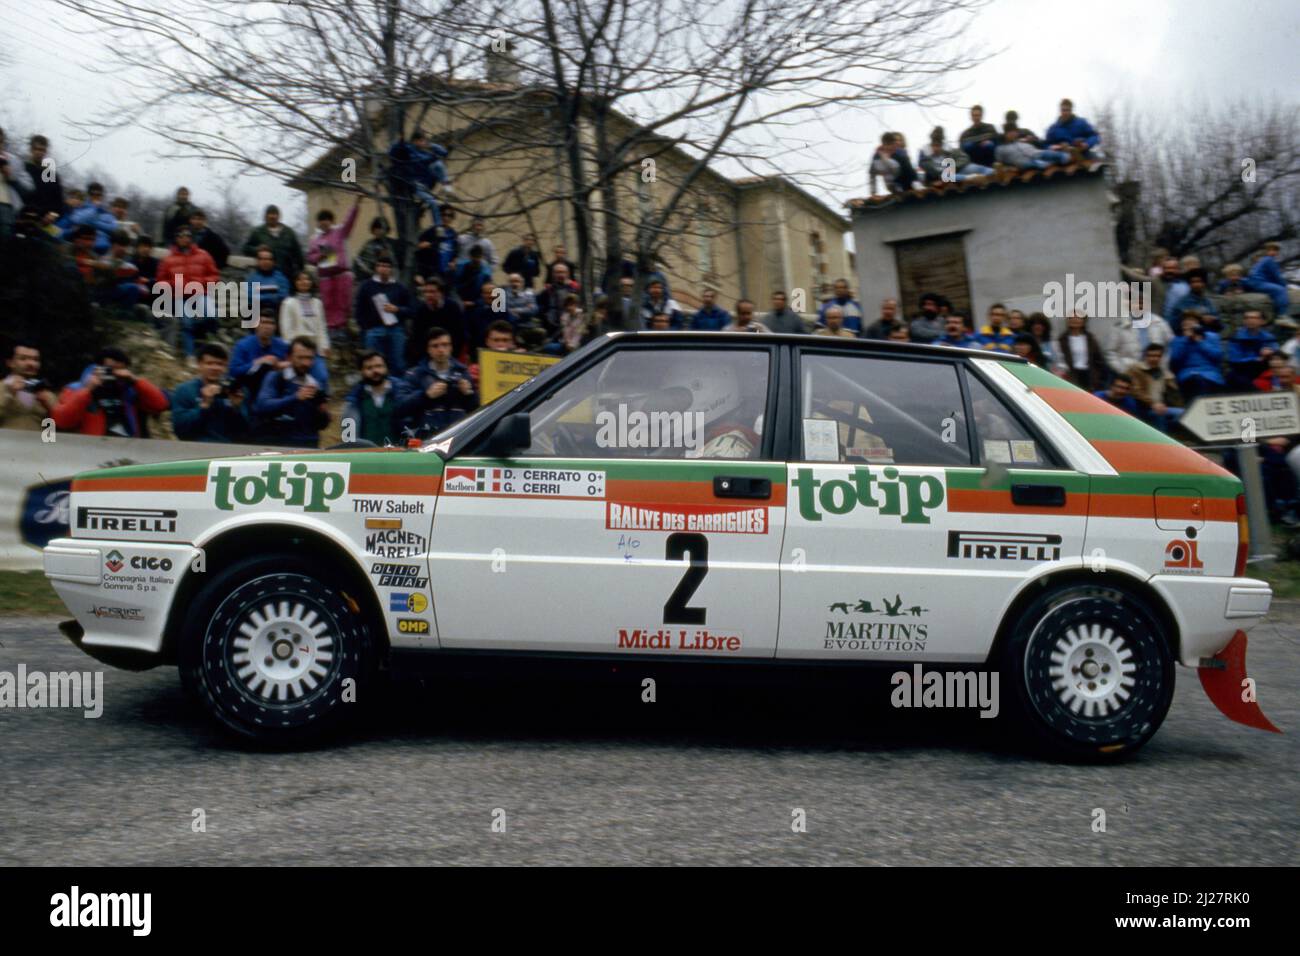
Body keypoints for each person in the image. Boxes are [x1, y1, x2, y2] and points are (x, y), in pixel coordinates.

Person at [51, 347, 169, 438]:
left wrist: (135, 380)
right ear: (96, 368)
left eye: (119, 370)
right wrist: (87, 390)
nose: (113, 374)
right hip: (93, 448)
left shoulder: (129, 390)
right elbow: (62, 421)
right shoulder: (76, 389)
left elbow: (160, 404)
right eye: (108, 370)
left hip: (128, 446)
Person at [399, 327, 479, 437]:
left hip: (458, 436)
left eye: (445, 345)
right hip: (427, 437)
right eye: (435, 346)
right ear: (428, 349)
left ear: (451, 347)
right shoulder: (414, 374)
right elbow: (401, 408)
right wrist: (426, 395)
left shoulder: (463, 372)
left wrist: (469, 394)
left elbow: (476, 409)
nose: (441, 350)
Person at [253, 336, 330, 447]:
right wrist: (295, 398)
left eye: (309, 358)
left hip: (307, 447)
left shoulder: (316, 385)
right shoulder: (276, 377)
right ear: (289, 357)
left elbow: (321, 425)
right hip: (278, 445)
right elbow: (263, 405)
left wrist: (323, 413)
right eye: (300, 358)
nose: (305, 363)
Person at [156, 226, 221, 354]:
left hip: (200, 293)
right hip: (180, 296)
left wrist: (201, 283)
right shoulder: (168, 260)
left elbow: (214, 275)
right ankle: (190, 355)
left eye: (188, 236)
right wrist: (175, 284)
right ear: (176, 239)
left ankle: (206, 341)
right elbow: (160, 282)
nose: (185, 239)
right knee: (187, 324)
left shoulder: (203, 255)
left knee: (211, 316)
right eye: (181, 236)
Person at [170, 343, 249, 442]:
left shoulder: (236, 390)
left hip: (228, 448)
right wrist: (204, 406)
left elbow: (246, 432)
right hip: (196, 448)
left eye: (220, 364)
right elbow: (180, 430)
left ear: (226, 367)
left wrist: (237, 408)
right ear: (199, 365)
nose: (215, 368)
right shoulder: (184, 390)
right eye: (209, 363)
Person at [306, 199, 360, 341]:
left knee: (343, 301)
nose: (324, 223)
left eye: (327, 220)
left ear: (331, 221)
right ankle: (331, 328)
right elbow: (310, 257)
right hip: (325, 276)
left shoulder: (339, 232)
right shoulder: (315, 239)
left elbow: (350, 220)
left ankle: (342, 327)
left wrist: (356, 204)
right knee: (328, 303)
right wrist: (319, 256)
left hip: (341, 274)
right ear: (318, 223)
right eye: (321, 220)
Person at [354, 255, 414, 374]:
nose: (383, 269)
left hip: (396, 330)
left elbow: (412, 310)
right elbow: (359, 310)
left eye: (387, 266)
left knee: (398, 365)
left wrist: (397, 309)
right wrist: (366, 328)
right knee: (374, 365)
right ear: (376, 268)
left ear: (391, 269)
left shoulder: (400, 287)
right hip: (374, 331)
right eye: (380, 265)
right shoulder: (366, 286)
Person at [342, 351, 412, 446]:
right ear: (361, 371)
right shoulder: (353, 401)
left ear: (386, 368)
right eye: (369, 368)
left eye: (379, 366)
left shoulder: (403, 393)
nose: (375, 371)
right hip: (368, 457)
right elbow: (348, 438)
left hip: (401, 454)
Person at [407, 278, 467, 366]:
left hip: (450, 353)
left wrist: (448, 353)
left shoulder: (453, 308)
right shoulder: (421, 310)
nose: (428, 295)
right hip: (427, 355)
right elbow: (416, 337)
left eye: (432, 292)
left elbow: (459, 335)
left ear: (441, 293)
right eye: (426, 292)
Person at [1168, 313, 1225, 401]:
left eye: (1192, 324)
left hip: (1210, 374)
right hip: (1188, 375)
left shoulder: (1211, 337)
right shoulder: (1178, 340)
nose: (1189, 327)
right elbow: (1175, 360)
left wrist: (1200, 342)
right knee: (1197, 382)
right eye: (1185, 325)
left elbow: (1217, 357)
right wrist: (1185, 340)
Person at [0, 341, 56, 430]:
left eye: (35, 359)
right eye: (23, 359)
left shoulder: (45, 392)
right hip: (5, 443)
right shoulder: (2, 387)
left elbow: (61, 428)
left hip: (38, 443)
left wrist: (52, 408)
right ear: (10, 363)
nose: (31, 363)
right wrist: (9, 395)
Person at [1128, 343, 1182, 433]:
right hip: (1142, 407)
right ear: (1145, 356)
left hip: (1162, 406)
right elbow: (1135, 391)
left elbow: (1174, 395)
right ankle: (1162, 443)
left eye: (1157, 356)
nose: (1154, 358)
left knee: (1184, 414)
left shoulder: (1164, 372)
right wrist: (1153, 403)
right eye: (1151, 355)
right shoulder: (1135, 369)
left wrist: (1170, 382)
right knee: (1159, 414)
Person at [242, 204, 303, 278]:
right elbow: (245, 249)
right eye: (270, 214)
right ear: (265, 216)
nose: (272, 217)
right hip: (264, 275)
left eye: (274, 214)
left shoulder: (289, 232)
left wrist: (300, 271)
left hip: (286, 275)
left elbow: (298, 254)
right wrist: (257, 249)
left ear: (279, 216)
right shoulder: (258, 232)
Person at [279, 271, 330, 358]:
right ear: (295, 282)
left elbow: (321, 327)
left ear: (311, 282)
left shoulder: (317, 303)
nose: (304, 282)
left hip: (316, 349)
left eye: (307, 279)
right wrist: (292, 349)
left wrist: (325, 345)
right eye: (300, 279)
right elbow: (286, 330)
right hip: (297, 349)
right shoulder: (288, 303)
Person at [919, 127, 992, 184]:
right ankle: (972, 178)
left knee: (973, 167)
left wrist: (954, 167)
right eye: (934, 145)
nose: (936, 148)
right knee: (946, 176)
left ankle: (993, 173)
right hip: (941, 178)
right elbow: (933, 172)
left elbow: (964, 158)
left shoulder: (948, 150)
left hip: (955, 171)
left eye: (938, 145)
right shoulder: (925, 155)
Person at [1226, 310, 1277, 390]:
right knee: (1232, 376)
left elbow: (1276, 354)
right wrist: (1256, 359)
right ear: (1244, 321)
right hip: (1243, 370)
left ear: (1262, 321)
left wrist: (1270, 353)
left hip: (1263, 368)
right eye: (1247, 318)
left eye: (1254, 318)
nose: (1250, 320)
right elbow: (1234, 359)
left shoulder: (1269, 337)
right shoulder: (1236, 337)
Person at [0, 127, 35, 239]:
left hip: (6, 209)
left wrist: (11, 177)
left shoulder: (14, 161)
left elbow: (29, 188)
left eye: (0, 141)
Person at [1243, 242, 1291, 320]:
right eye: (1270, 250)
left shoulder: (1262, 260)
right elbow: (1277, 277)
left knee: (1276, 288)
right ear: (1266, 251)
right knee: (1280, 290)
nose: (1273, 252)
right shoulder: (1269, 260)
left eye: (1275, 250)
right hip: (1258, 282)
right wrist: (1285, 286)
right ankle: (1282, 316)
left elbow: (1271, 277)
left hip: (1254, 282)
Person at [66, 182, 118, 253]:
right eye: (93, 194)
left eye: (99, 194)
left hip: (101, 248)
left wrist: (92, 222)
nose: (96, 197)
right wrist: (94, 208)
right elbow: (76, 220)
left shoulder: (106, 213)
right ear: (88, 195)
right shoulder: (81, 208)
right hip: (81, 245)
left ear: (102, 196)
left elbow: (113, 227)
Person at [1058, 313, 1105, 390]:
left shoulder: (1090, 338)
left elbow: (1098, 358)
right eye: (1071, 317)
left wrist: (1097, 375)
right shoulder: (1062, 339)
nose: (1074, 319)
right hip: (1071, 375)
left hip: (1088, 375)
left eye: (1078, 317)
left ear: (1084, 321)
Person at [22, 135, 63, 223]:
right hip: (22, 218)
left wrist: (53, 215)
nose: (39, 152)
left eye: (42, 150)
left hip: (44, 223)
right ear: (31, 149)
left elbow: (59, 202)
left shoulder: (51, 174)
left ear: (46, 151)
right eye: (36, 149)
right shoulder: (22, 169)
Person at [994, 127, 1070, 170]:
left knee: (1050, 154)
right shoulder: (1000, 148)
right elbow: (1000, 164)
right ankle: (1049, 164)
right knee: (1039, 164)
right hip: (1024, 162)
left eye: (1014, 132)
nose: (1013, 134)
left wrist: (1032, 140)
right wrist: (1009, 168)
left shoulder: (1022, 141)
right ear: (1005, 134)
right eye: (1010, 132)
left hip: (1037, 153)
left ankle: (1066, 158)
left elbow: (1040, 143)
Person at [246, 246, 291, 314]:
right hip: (257, 312)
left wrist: (261, 297)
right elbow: (250, 297)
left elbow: (283, 295)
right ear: (257, 261)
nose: (265, 262)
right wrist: (272, 296)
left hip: (277, 311)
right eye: (262, 259)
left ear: (273, 261)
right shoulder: (252, 278)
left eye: (268, 259)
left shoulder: (280, 278)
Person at [354, 217, 398, 284]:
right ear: (373, 230)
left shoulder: (393, 244)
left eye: (381, 228)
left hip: (391, 279)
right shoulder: (369, 244)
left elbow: (396, 263)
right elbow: (360, 261)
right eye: (376, 228)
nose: (379, 231)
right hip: (371, 279)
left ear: (386, 230)